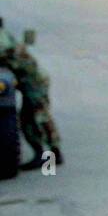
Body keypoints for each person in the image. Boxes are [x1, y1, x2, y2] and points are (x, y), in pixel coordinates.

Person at [0, 19, 63, 170]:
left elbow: (4, 51)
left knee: (37, 118)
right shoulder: (4, 34)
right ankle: (48, 154)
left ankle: (50, 156)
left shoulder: (1, 38)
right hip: (32, 80)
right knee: (31, 118)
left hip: (33, 82)